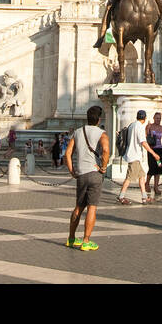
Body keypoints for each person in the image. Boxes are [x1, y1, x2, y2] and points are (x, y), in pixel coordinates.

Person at [65, 105, 112, 251]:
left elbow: (67, 153)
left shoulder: (78, 132)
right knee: (92, 207)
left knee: (78, 207)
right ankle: (86, 240)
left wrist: (72, 170)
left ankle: (71, 238)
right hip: (95, 173)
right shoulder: (102, 133)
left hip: (81, 174)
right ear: (99, 119)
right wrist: (103, 167)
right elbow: (105, 151)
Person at [119, 109, 160, 204]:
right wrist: (153, 154)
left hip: (133, 155)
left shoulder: (132, 125)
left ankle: (144, 197)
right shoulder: (140, 126)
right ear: (145, 118)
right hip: (134, 156)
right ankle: (121, 197)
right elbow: (143, 142)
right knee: (129, 177)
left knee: (142, 176)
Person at [145, 112, 162, 197]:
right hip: (152, 150)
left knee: (159, 167)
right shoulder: (150, 126)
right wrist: (148, 128)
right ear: (154, 118)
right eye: (157, 118)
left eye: (159, 118)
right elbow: (146, 137)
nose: (158, 120)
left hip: (159, 150)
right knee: (152, 167)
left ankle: (156, 186)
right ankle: (147, 183)